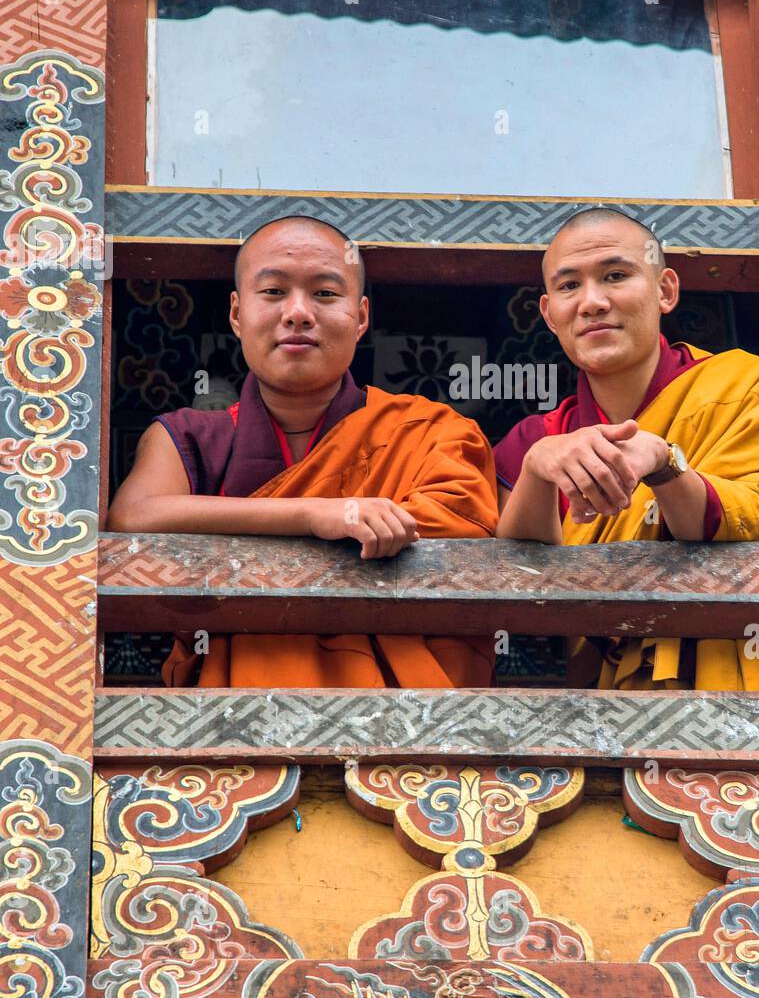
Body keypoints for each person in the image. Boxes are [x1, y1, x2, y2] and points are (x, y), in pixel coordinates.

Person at [107, 216, 498, 688]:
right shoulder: (187, 435)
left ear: (361, 317)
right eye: (273, 292)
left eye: (326, 294)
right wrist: (319, 515)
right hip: (231, 725)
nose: (298, 313)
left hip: (404, 729)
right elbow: (134, 516)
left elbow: (463, 531)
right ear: (236, 314)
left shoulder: (433, 432)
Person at [494, 208, 759, 691]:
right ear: (549, 314)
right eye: (569, 286)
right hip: (582, 701)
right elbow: (512, 582)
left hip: (723, 683)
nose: (592, 302)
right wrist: (536, 468)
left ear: (665, 290)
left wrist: (664, 463)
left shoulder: (741, 383)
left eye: (615, 276)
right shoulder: (533, 440)